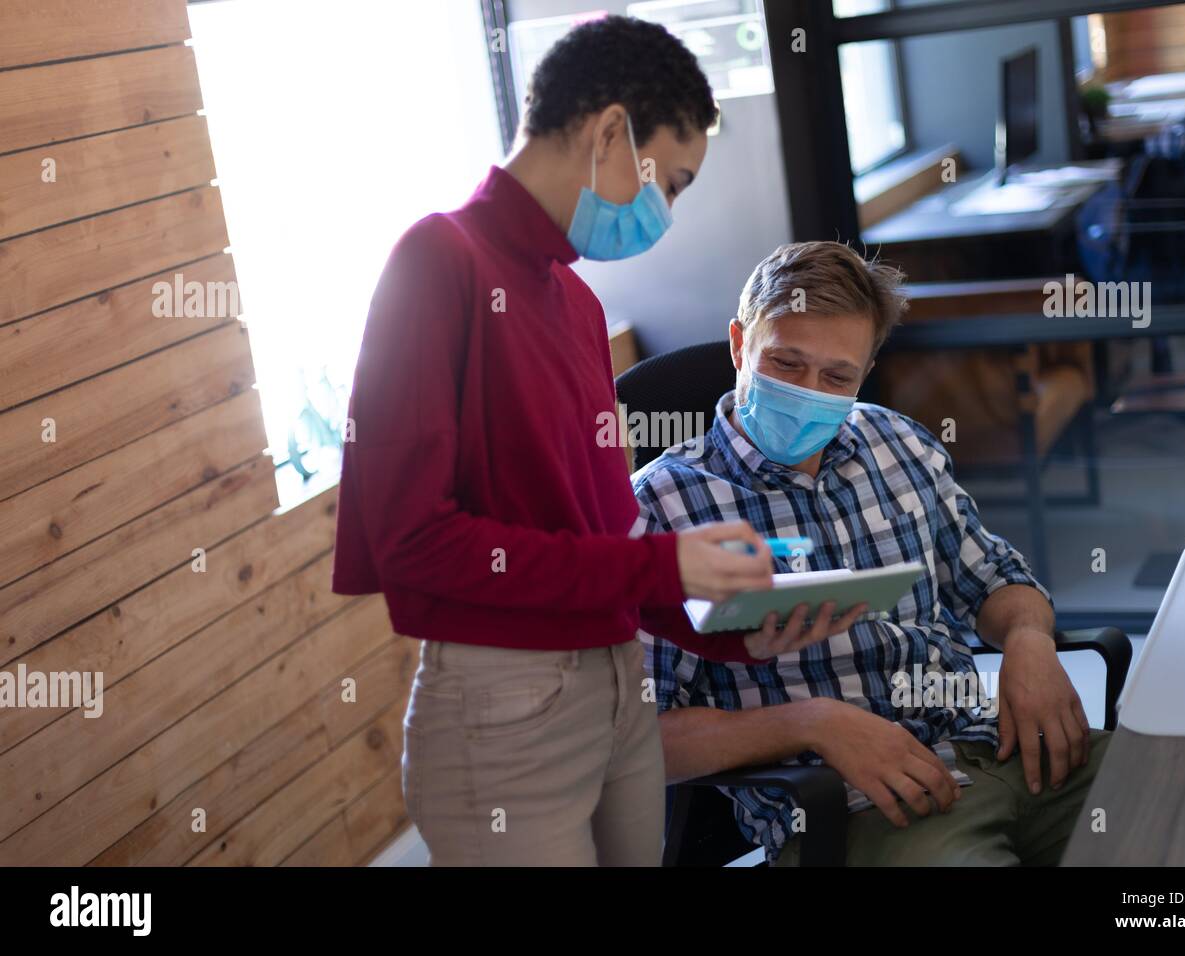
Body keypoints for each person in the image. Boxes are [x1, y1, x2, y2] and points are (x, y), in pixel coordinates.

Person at [331, 17, 863, 866]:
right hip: (505, 705)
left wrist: (726, 629)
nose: (669, 213)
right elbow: (414, 543)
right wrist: (664, 566)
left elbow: (600, 550)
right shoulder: (440, 259)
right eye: (673, 184)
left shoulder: (574, 302)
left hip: (619, 685)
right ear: (611, 131)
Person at [634, 240, 1110, 865]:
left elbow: (992, 576)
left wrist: (1028, 642)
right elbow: (639, 739)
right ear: (738, 344)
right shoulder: (660, 506)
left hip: (998, 746)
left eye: (838, 377)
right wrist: (811, 723)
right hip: (859, 808)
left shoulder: (896, 441)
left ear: (867, 371)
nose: (810, 391)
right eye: (785, 363)